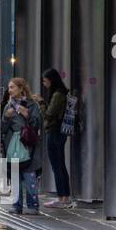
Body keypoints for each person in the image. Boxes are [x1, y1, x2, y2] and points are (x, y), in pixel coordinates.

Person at [0, 77, 43, 215]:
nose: (9, 90)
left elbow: (37, 124)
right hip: (12, 145)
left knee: (29, 174)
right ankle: (16, 204)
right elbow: (3, 129)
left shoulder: (32, 105)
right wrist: (6, 117)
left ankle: (33, 205)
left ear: (21, 88)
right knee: (15, 175)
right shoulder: (8, 106)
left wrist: (27, 114)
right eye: (9, 87)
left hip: (28, 145)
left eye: (12, 87)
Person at [40, 68, 73, 208]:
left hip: (54, 131)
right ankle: (65, 197)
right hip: (60, 132)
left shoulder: (57, 95)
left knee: (57, 165)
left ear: (51, 80)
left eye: (45, 81)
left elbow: (48, 114)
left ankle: (62, 198)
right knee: (60, 164)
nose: (44, 83)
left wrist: (41, 103)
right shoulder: (61, 93)